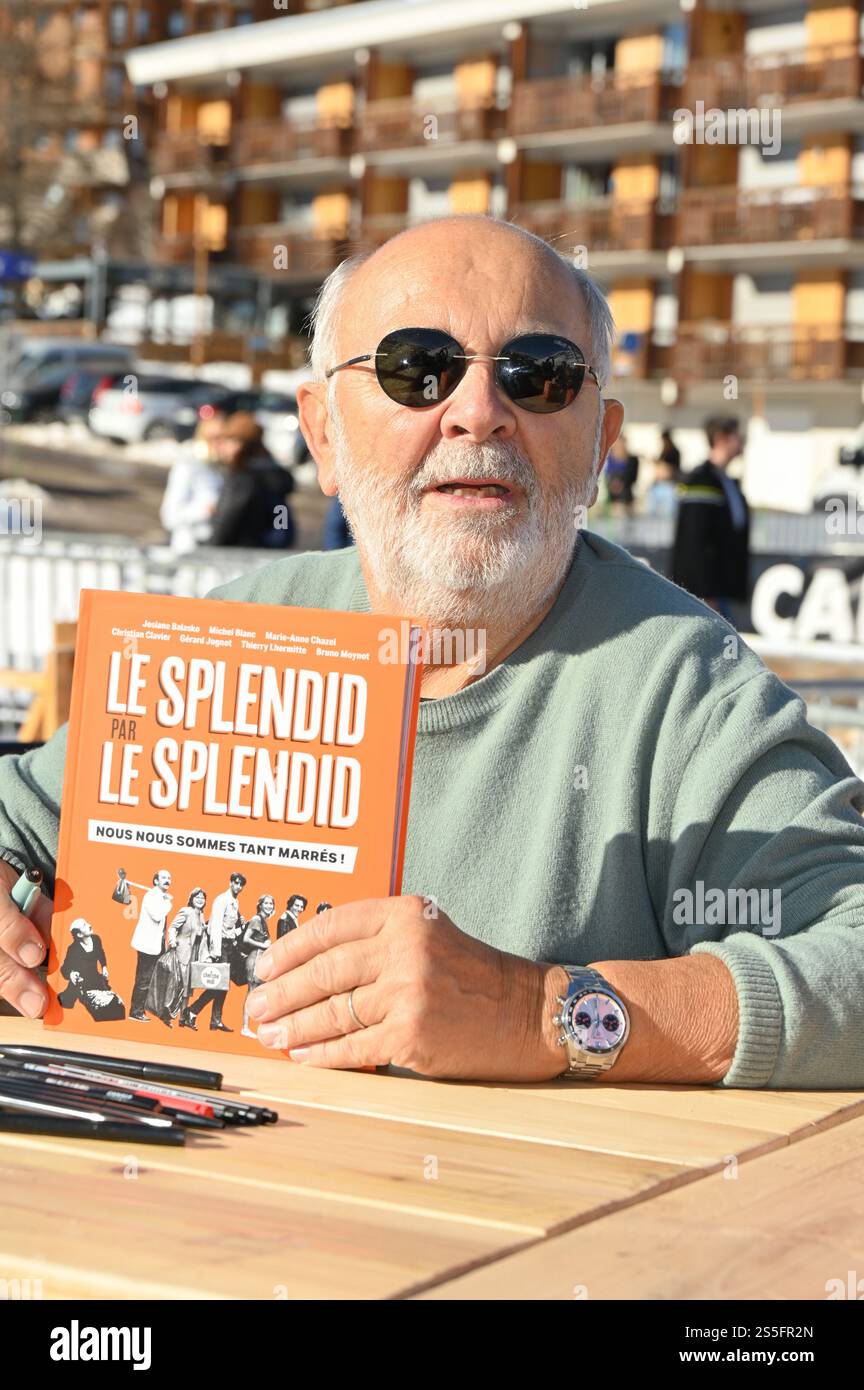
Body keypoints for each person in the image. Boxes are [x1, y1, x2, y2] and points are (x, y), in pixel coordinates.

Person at [2, 215, 864, 1090]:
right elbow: (17, 820)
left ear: (601, 445)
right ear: (323, 433)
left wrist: (542, 1012)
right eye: (418, 368)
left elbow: (853, 957)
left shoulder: (687, 690)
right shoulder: (239, 636)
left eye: (540, 376)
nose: (479, 414)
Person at [671, 416, 750, 622]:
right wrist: (704, 594)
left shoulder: (726, 482)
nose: (742, 441)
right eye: (737, 435)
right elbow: (694, 539)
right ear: (722, 438)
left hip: (721, 591)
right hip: (706, 596)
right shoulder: (702, 479)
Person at [208, 412, 295, 549]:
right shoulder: (273, 474)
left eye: (227, 440)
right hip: (265, 556)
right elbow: (281, 516)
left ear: (240, 443)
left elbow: (227, 520)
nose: (222, 447)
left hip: (235, 556)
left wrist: (211, 545)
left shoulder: (243, 478)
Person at [185, 872, 245, 1032]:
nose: (238, 886)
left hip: (229, 945)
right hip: (220, 946)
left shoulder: (234, 901)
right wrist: (215, 951)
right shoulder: (221, 899)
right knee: (219, 983)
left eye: (241, 884)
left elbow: (229, 926)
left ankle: (215, 1020)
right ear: (231, 882)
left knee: (223, 985)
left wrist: (234, 939)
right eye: (236, 883)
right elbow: (216, 925)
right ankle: (192, 1011)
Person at [159, 414, 226, 553]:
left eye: (223, 438)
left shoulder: (223, 469)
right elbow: (169, 516)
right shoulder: (187, 467)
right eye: (213, 438)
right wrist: (205, 511)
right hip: (189, 551)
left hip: (216, 551)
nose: (218, 444)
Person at [146, 887, 208, 1028]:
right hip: (180, 952)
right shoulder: (186, 911)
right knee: (175, 985)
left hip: (193, 955)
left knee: (187, 988)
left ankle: (182, 1018)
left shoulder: (201, 915)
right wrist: (172, 941)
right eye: (197, 897)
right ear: (191, 899)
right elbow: (173, 927)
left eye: (202, 898)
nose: (200, 900)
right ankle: (166, 1015)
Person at [57, 918, 124, 1020]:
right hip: (82, 985)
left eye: (87, 922)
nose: (89, 925)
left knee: (118, 1005)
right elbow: (64, 969)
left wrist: (104, 967)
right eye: (84, 925)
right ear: (79, 934)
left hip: (97, 980)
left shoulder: (96, 939)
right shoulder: (73, 949)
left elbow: (101, 953)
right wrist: (71, 974)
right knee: (103, 1010)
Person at [128, 869, 172, 1022]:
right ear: (156, 881)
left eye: (169, 878)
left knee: (153, 979)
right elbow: (157, 916)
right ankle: (136, 1011)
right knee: (144, 979)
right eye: (164, 877)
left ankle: (145, 1008)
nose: (167, 880)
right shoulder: (152, 896)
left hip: (157, 944)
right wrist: (168, 903)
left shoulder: (159, 896)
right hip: (147, 945)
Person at [240, 895, 275, 1037]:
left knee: (257, 992)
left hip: (260, 958)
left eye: (271, 904)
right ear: (260, 905)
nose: (269, 906)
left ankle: (253, 1026)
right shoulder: (256, 919)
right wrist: (263, 944)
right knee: (251, 992)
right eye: (266, 903)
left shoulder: (263, 920)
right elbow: (246, 938)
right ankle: (245, 1027)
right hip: (254, 958)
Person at [603, 433, 639, 515]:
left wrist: (620, 485)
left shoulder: (632, 460)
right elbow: (606, 476)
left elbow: (633, 478)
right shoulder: (609, 459)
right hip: (612, 499)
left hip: (626, 499)